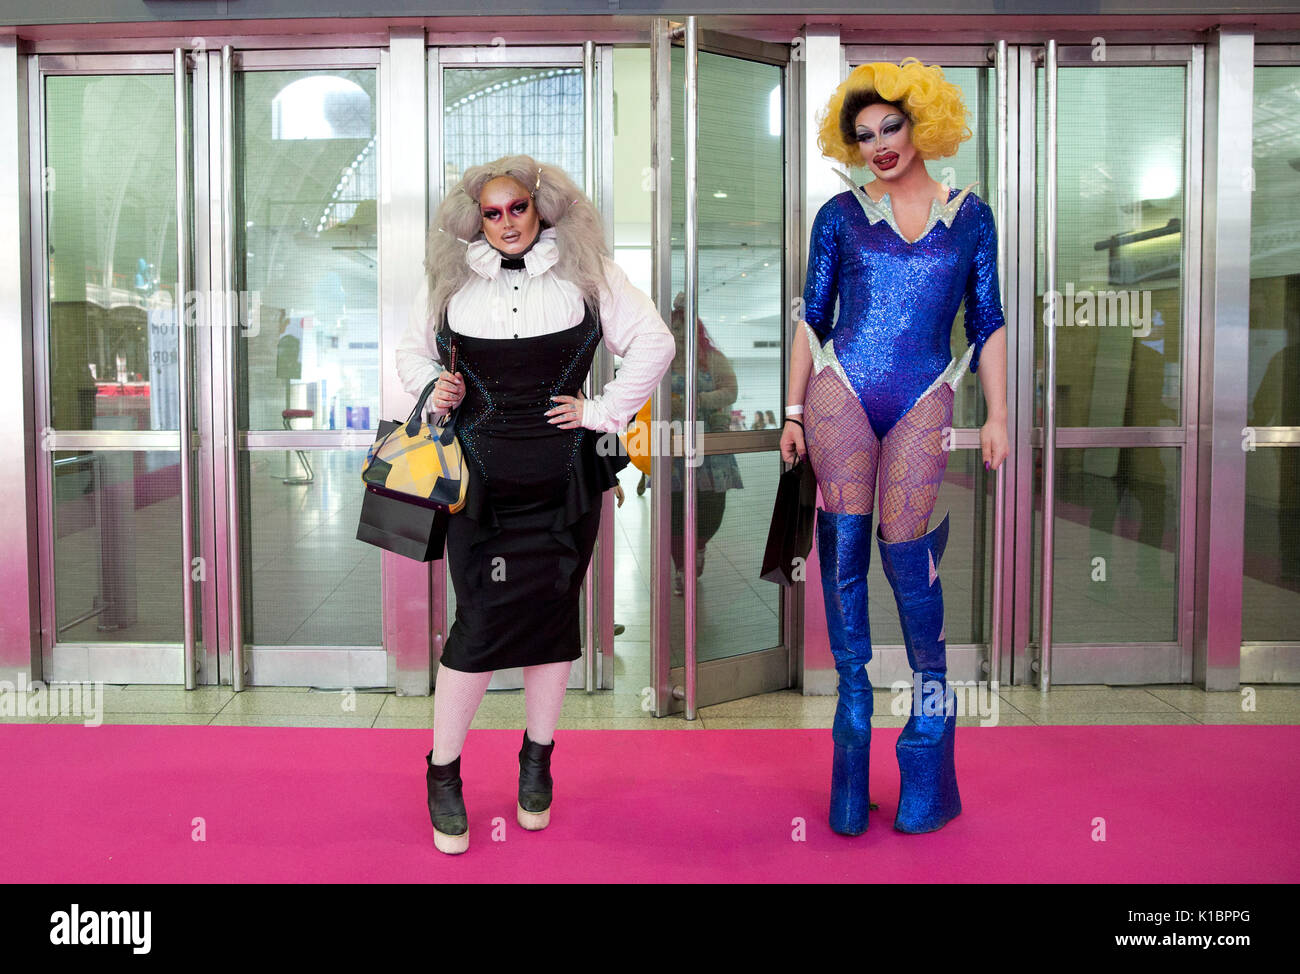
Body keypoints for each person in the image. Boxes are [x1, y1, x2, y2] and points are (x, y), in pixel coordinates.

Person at [396, 155, 674, 854]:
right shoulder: (450, 280)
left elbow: (655, 342)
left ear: (541, 208)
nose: (506, 223)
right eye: (491, 213)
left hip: (564, 482)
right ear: (476, 220)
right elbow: (409, 353)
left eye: (517, 207)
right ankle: (443, 772)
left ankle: (537, 760)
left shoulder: (590, 273)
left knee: (553, 620)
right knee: (479, 623)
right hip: (478, 487)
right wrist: (435, 385)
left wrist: (603, 411)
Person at [779, 58, 1009, 836]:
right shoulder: (839, 215)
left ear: (922, 125)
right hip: (840, 389)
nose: (879, 144)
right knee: (843, 549)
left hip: (924, 395)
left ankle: (928, 729)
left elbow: (988, 320)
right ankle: (853, 727)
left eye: (892, 127)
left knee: (907, 554)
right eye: (865, 134)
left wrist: (999, 413)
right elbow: (812, 318)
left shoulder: (972, 216)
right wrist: (792, 411)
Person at [667, 294, 743, 595]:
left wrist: (696, 401)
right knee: (672, 512)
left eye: (684, 328)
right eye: (674, 328)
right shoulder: (660, 359)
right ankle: (681, 568)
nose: (679, 334)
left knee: (712, 508)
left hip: (710, 445)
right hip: (671, 445)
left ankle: (698, 547)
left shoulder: (713, 358)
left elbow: (731, 391)